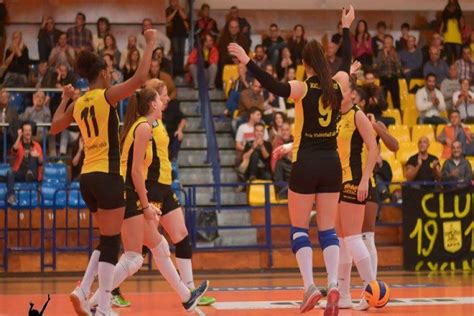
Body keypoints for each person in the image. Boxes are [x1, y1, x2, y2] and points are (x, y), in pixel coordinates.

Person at [229, 6, 355, 314]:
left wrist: (248, 62)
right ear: (325, 61)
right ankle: (335, 286)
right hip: (331, 164)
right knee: (328, 231)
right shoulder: (338, 82)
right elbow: (347, 59)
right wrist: (347, 27)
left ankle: (310, 286)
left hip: (306, 161)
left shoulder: (301, 87)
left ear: (304, 64)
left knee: (299, 228)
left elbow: (273, 85)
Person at [50, 28, 158, 316]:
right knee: (112, 244)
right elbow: (139, 80)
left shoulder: (79, 102)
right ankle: (104, 307)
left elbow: (54, 127)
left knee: (106, 240)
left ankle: (84, 291)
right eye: (109, 71)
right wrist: (150, 45)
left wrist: (64, 97)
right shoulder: (106, 96)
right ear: (105, 74)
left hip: (86, 178)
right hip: (108, 176)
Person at [87, 85, 209, 311]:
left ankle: (186, 296)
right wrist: (145, 205)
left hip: (125, 190)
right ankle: (93, 300)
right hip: (126, 191)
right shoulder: (143, 127)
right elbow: (135, 172)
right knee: (134, 256)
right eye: (160, 99)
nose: (164, 103)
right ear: (153, 103)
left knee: (157, 247)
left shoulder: (143, 126)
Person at [143, 79, 214, 306]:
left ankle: (191, 290)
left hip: (165, 186)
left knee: (182, 236)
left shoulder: (160, 121)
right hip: (152, 186)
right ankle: (108, 288)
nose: (167, 99)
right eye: (163, 95)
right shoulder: (145, 125)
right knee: (142, 247)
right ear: (154, 99)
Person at [330, 59, 379, 311]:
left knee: (352, 238)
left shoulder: (357, 115)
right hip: (336, 183)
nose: (337, 93)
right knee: (340, 241)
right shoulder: (336, 116)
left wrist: (363, 181)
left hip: (354, 180)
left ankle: (373, 290)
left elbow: (374, 148)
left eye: (343, 90)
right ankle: (344, 294)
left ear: (351, 94)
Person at [6, 122, 44, 205]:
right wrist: (19, 137)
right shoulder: (18, 145)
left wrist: (38, 156)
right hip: (21, 173)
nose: (28, 133)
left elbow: (41, 162)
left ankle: (29, 173)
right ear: (22, 132)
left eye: (29, 131)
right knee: (10, 172)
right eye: (26, 131)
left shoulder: (36, 145)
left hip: (33, 174)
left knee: (34, 156)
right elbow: (14, 150)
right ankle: (10, 196)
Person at [374, 34, 402, 109]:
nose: (387, 45)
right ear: (383, 44)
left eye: (389, 43)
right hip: (383, 79)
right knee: (382, 100)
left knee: (396, 100)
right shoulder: (380, 54)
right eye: (386, 43)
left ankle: (399, 116)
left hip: (393, 78)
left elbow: (399, 66)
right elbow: (377, 68)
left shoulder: (395, 54)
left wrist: (393, 59)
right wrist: (385, 57)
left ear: (392, 43)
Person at [166, 0, 189, 76]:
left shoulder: (181, 9)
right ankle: (175, 70)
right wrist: (175, 11)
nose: (175, 3)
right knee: (176, 52)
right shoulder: (168, 10)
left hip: (182, 34)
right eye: (173, 1)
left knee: (181, 52)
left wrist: (179, 9)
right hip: (174, 34)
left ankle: (181, 69)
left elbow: (185, 17)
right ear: (170, 2)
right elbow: (168, 19)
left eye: (176, 1)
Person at [0, 89, 20, 158]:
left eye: (5, 97)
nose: (3, 99)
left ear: (9, 99)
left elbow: (14, 123)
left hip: (9, 133)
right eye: (2, 97)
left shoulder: (13, 110)